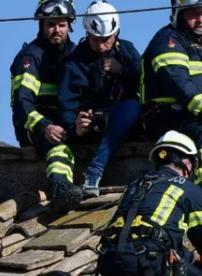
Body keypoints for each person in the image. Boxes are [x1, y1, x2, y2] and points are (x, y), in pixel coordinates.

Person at [95, 131, 202, 276]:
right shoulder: (189, 188)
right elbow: (201, 235)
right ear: (186, 161)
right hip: (148, 262)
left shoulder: (134, 185)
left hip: (108, 260)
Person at [140, 0, 202, 215]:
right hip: (166, 116)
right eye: (194, 14)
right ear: (179, 15)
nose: (201, 19)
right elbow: (179, 84)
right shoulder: (167, 40)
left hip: (201, 115)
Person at [58, 1, 142, 198]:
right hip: (94, 128)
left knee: (132, 106)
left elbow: (146, 81)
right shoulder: (74, 62)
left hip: (128, 121)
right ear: (87, 34)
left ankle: (95, 169)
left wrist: (122, 70)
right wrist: (75, 126)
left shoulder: (127, 51)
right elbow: (66, 105)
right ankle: (93, 172)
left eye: (107, 39)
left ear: (116, 33)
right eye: (96, 40)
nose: (102, 46)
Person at [10, 0, 79, 214]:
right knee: (59, 146)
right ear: (41, 24)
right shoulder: (31, 56)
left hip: (67, 122)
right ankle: (60, 190)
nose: (56, 30)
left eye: (61, 25)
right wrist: (45, 127)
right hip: (35, 126)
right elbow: (22, 104)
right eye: (51, 24)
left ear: (70, 25)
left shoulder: (76, 54)